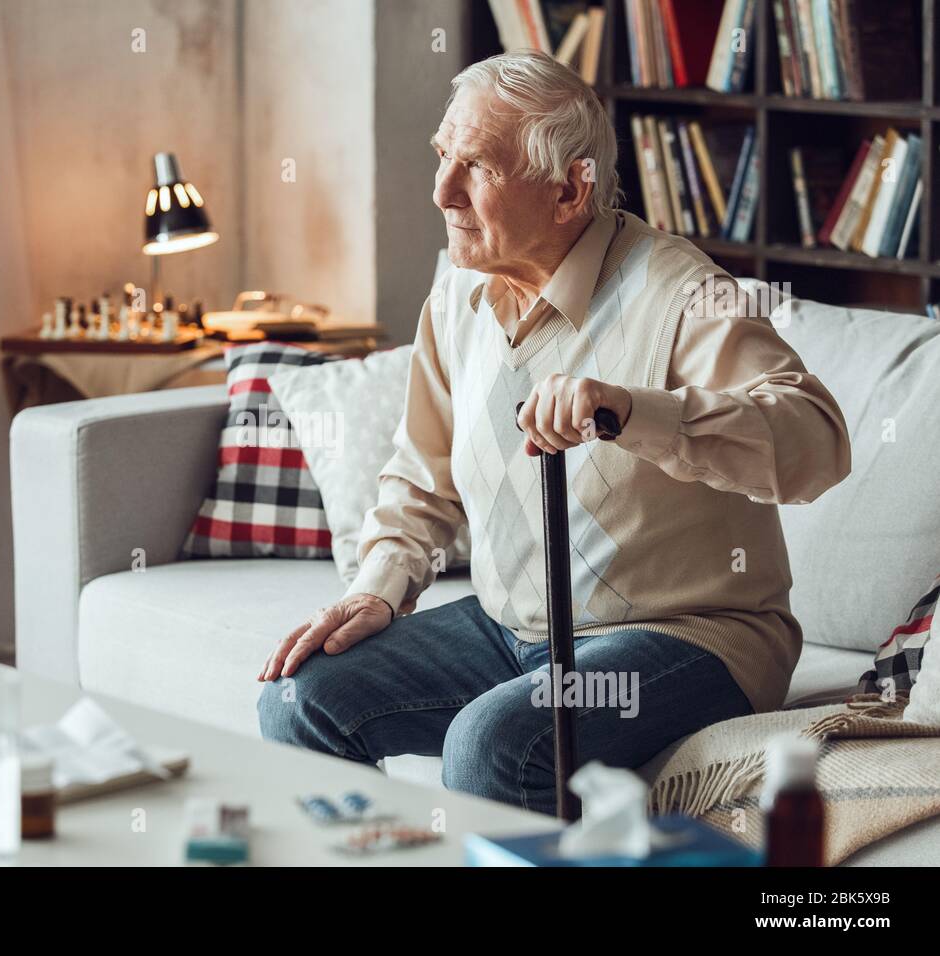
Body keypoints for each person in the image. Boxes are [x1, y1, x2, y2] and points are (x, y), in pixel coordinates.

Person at [256, 50, 852, 813]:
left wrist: (635, 411)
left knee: (490, 745)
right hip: (513, 627)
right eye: (443, 157)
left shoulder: (682, 294)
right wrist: (380, 586)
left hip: (691, 636)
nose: (442, 191)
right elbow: (422, 477)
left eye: (477, 167)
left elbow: (816, 441)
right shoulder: (456, 299)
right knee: (299, 697)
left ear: (571, 189)